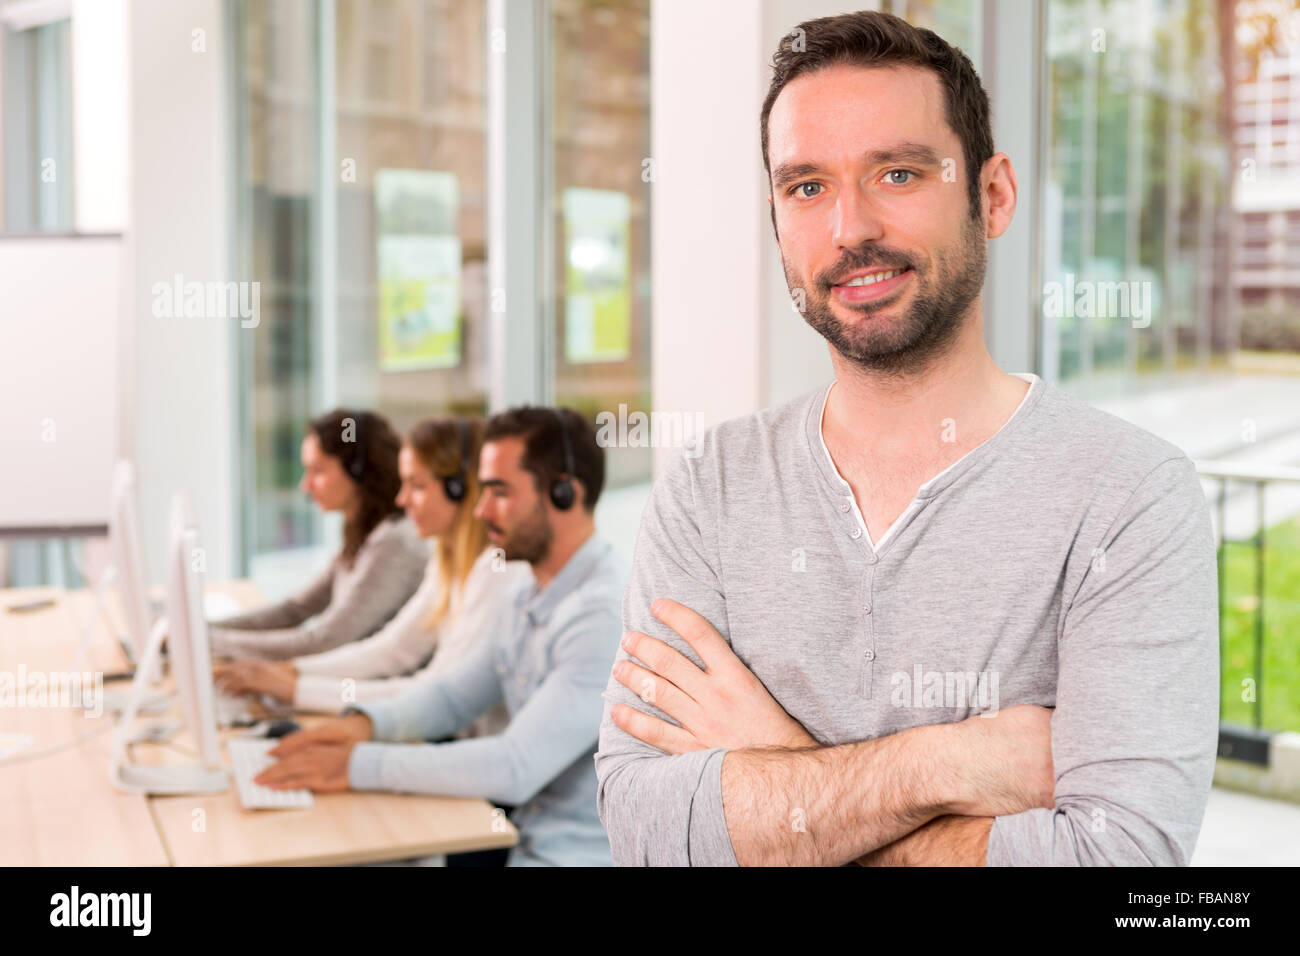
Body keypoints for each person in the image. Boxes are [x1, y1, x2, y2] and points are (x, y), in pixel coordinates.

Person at [594, 9, 1218, 866]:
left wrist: (775, 780)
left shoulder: (1129, 495)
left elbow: (1121, 863)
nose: (850, 228)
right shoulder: (710, 484)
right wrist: (949, 764)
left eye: (897, 173)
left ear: (991, 196)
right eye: (806, 186)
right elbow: (642, 826)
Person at [254, 406, 627, 867]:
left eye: (499, 493)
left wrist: (356, 764)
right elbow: (452, 696)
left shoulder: (600, 616)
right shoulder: (527, 588)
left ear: (565, 493)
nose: (479, 509)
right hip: (512, 832)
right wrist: (362, 726)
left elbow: (515, 765)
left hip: (560, 855)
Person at [213, 418, 523, 740]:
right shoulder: (448, 560)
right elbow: (392, 648)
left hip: (460, 751)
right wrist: (294, 673)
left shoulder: (495, 569)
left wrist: (296, 687)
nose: (402, 500)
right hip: (435, 734)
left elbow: (431, 692)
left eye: (417, 486)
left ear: (459, 488)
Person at [208, 409, 428, 661]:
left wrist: (207, 642)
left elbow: (324, 641)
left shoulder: (393, 544)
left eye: (318, 471)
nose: (306, 485)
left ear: (358, 470)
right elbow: (295, 610)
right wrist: (204, 631)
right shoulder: (365, 536)